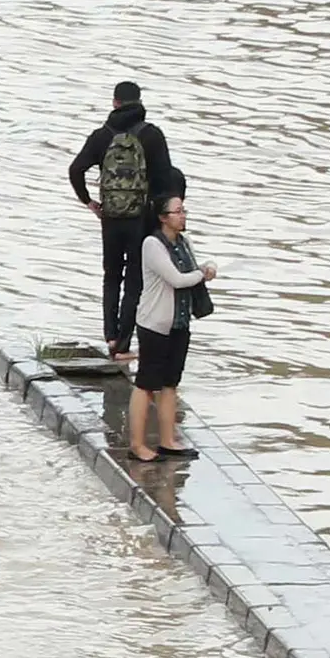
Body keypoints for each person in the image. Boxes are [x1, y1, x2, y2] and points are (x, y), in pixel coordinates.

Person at [68, 81, 185, 362]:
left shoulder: (101, 136)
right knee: (134, 281)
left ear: (115, 103)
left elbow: (75, 169)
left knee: (111, 276)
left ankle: (109, 335)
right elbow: (165, 179)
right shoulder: (152, 135)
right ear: (139, 101)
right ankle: (122, 344)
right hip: (140, 219)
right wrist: (164, 216)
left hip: (110, 217)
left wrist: (90, 202)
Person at [129, 193, 216, 464]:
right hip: (155, 323)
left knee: (170, 384)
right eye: (178, 212)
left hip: (179, 322)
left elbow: (189, 272)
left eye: (184, 211)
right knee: (146, 384)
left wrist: (203, 269)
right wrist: (202, 273)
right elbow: (177, 279)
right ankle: (137, 445)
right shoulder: (152, 245)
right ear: (163, 217)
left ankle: (168, 441)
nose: (183, 215)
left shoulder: (184, 243)